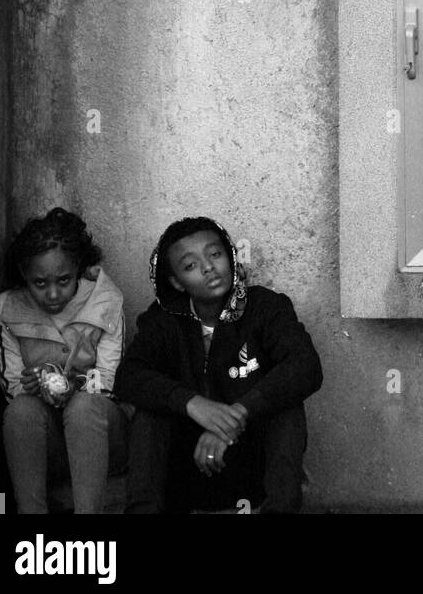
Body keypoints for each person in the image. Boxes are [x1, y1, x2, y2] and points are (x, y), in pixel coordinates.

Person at [114, 216, 323, 514]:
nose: (208, 267)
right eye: (190, 266)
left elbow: (306, 367)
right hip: (190, 470)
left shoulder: (265, 307)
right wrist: (194, 405)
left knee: (287, 406)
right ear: (176, 281)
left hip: (252, 467)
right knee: (150, 411)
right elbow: (129, 376)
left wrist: (235, 416)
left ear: (230, 257)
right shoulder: (162, 320)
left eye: (215, 254)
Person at [0, 207, 128, 514]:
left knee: (83, 406)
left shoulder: (106, 300)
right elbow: (12, 383)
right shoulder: (6, 309)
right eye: (39, 283)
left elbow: (109, 380)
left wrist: (72, 384)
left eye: (64, 280)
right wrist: (40, 385)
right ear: (24, 275)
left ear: (78, 267)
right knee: (20, 410)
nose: (53, 294)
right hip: (48, 440)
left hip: (100, 433)